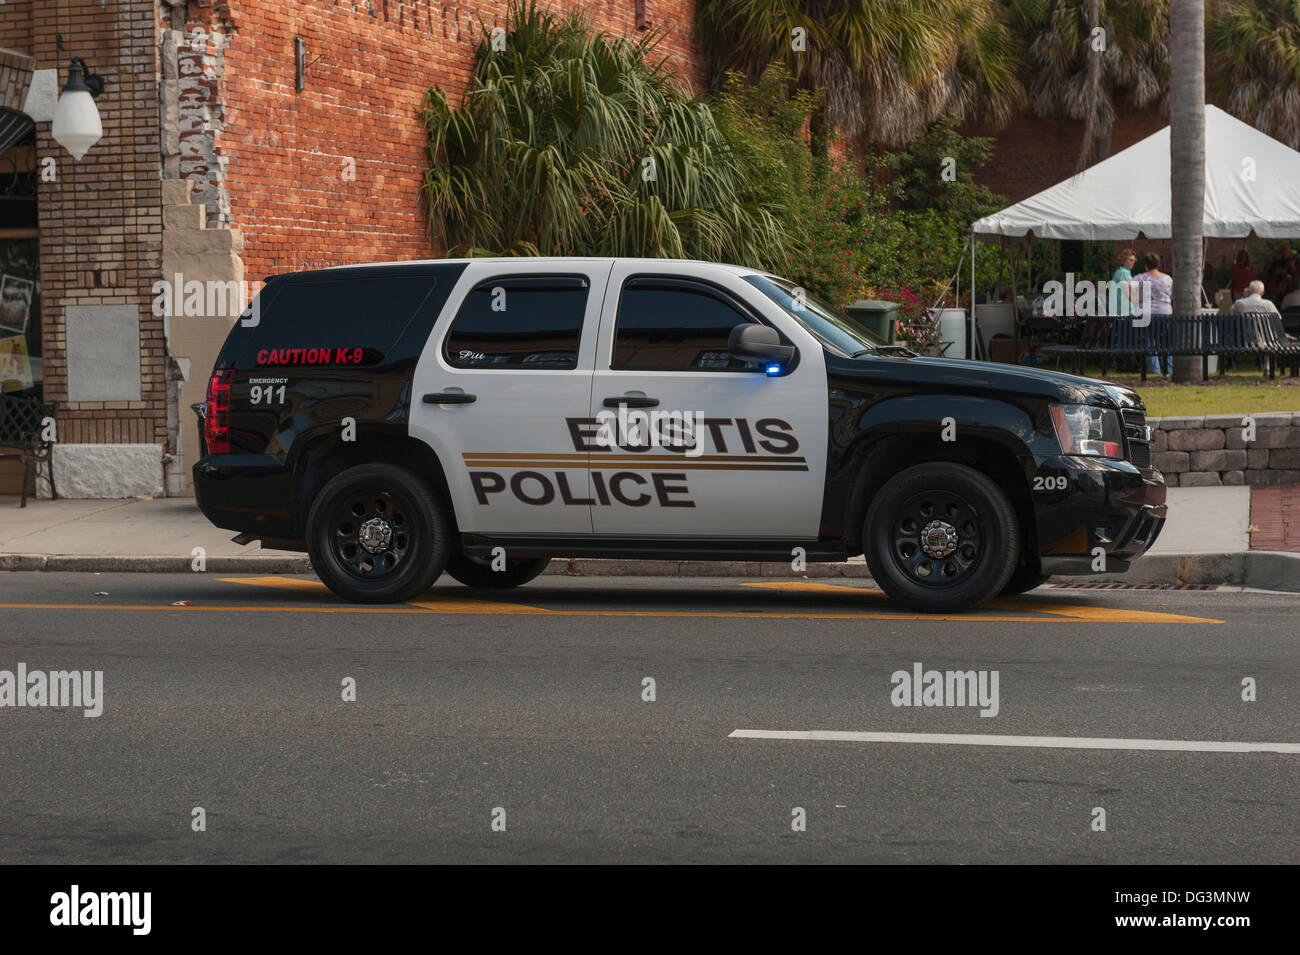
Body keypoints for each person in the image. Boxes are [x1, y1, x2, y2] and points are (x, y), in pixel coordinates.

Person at [1133, 252, 1173, 376]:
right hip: (1164, 311)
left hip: (1146, 312)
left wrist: (1135, 299)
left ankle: (1154, 369)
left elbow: (1126, 287)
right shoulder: (1167, 278)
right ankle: (1169, 368)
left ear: (1145, 265)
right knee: (1165, 341)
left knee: (1149, 342)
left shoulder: (1140, 278)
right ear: (1158, 264)